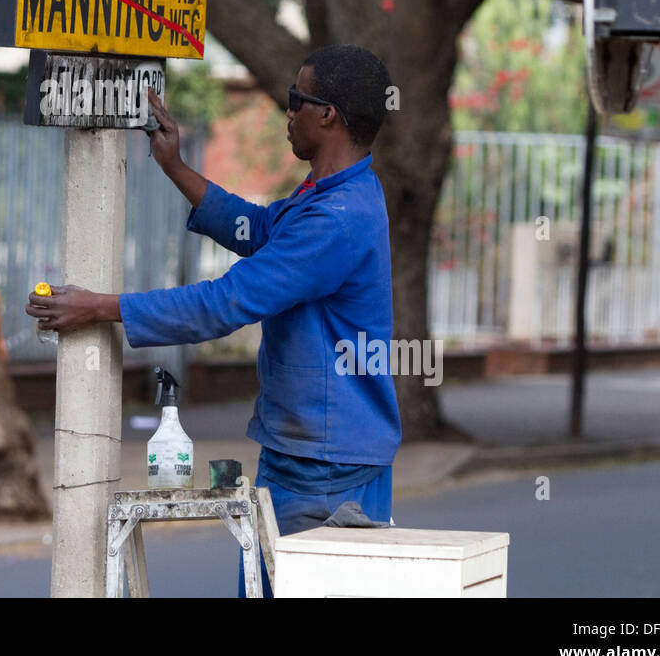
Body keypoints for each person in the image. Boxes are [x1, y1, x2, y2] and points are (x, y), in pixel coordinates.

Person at [25, 43, 401, 597]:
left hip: (325, 466)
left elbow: (224, 304)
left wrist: (99, 307)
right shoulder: (331, 197)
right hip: (309, 451)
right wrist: (175, 166)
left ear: (329, 116)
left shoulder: (337, 221)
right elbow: (254, 228)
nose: (287, 112)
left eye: (297, 99)